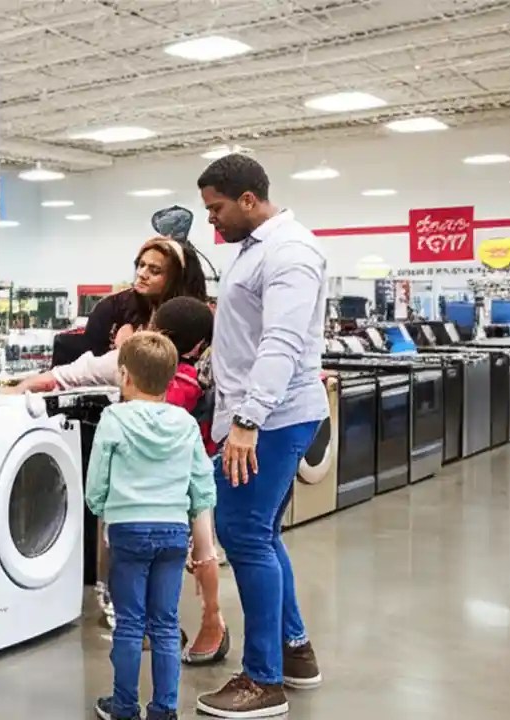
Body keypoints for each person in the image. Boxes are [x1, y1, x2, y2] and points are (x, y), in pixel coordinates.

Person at [8, 297, 230, 664]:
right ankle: (205, 625)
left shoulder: (121, 402)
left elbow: (67, 379)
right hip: (181, 502)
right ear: (198, 346)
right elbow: (203, 465)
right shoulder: (205, 379)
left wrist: (102, 511)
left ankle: (126, 690)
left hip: (131, 512)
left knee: (128, 602)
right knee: (192, 566)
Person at [193, 154, 330, 719]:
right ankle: (294, 652)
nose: (212, 222)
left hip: (272, 416)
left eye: (217, 209)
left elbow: (281, 342)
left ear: (249, 199)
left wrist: (248, 422)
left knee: (243, 532)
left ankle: (262, 680)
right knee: (261, 534)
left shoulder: (290, 251)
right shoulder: (255, 251)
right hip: (260, 412)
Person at [85, 331, 217, 720]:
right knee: (165, 623)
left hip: (128, 531)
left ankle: (124, 707)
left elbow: (98, 482)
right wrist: (199, 535)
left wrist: (101, 507)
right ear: (172, 379)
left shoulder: (113, 418)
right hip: (173, 532)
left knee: (129, 623)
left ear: (124, 375)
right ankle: (164, 709)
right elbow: (201, 484)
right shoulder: (185, 423)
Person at [82, 237, 209, 360]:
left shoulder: (193, 319)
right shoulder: (111, 308)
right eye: (141, 265)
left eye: (154, 271)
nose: (142, 274)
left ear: (177, 279)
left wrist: (127, 349)